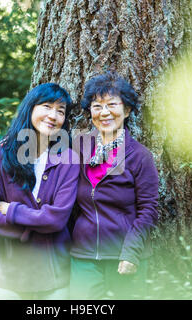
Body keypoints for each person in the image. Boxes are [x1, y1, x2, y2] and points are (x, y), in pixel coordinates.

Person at [0, 83, 79, 300]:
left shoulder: (68, 160)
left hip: (55, 280)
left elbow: (56, 220)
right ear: (30, 108)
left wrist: (12, 211)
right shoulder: (0, 156)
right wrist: (34, 227)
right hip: (11, 279)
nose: (53, 115)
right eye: (46, 106)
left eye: (60, 111)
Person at [70, 72, 159, 299]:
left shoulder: (140, 156)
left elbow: (148, 210)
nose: (105, 112)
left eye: (112, 105)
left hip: (124, 257)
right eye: (97, 106)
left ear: (127, 110)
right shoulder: (78, 147)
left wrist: (131, 252)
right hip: (84, 256)